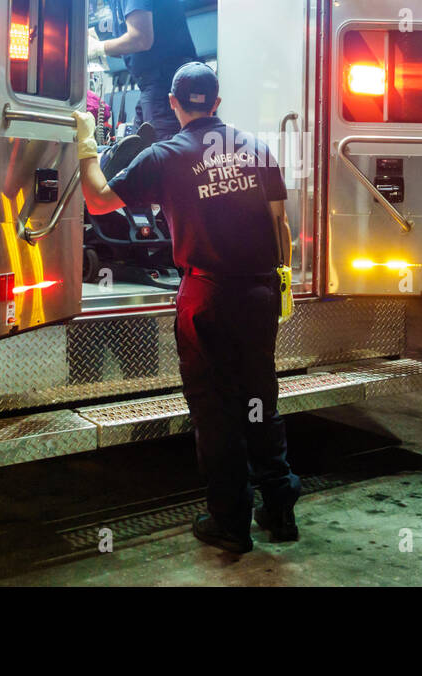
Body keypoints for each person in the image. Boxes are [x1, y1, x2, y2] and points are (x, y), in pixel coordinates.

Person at [72, 63, 301, 553]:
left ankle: (230, 523)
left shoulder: (165, 155)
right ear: (216, 102)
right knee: (260, 399)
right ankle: (280, 510)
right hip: (261, 293)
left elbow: (97, 201)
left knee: (216, 411)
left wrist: (86, 143)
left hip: (208, 297)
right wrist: (282, 280)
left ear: (173, 104)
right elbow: (280, 222)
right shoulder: (256, 147)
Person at [88, 0, 198, 139]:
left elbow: (140, 39)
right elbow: (130, 47)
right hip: (154, 85)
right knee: (136, 148)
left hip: (165, 84)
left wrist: (98, 48)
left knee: (161, 150)